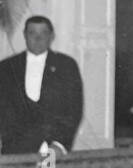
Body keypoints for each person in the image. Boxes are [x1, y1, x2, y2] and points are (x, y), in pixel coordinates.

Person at [0, 15, 84, 156]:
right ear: (25, 35)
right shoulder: (7, 67)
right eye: (32, 33)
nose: (37, 38)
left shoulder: (66, 66)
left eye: (43, 33)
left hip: (50, 149)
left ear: (51, 36)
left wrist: (59, 144)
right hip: (14, 147)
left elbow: (74, 108)